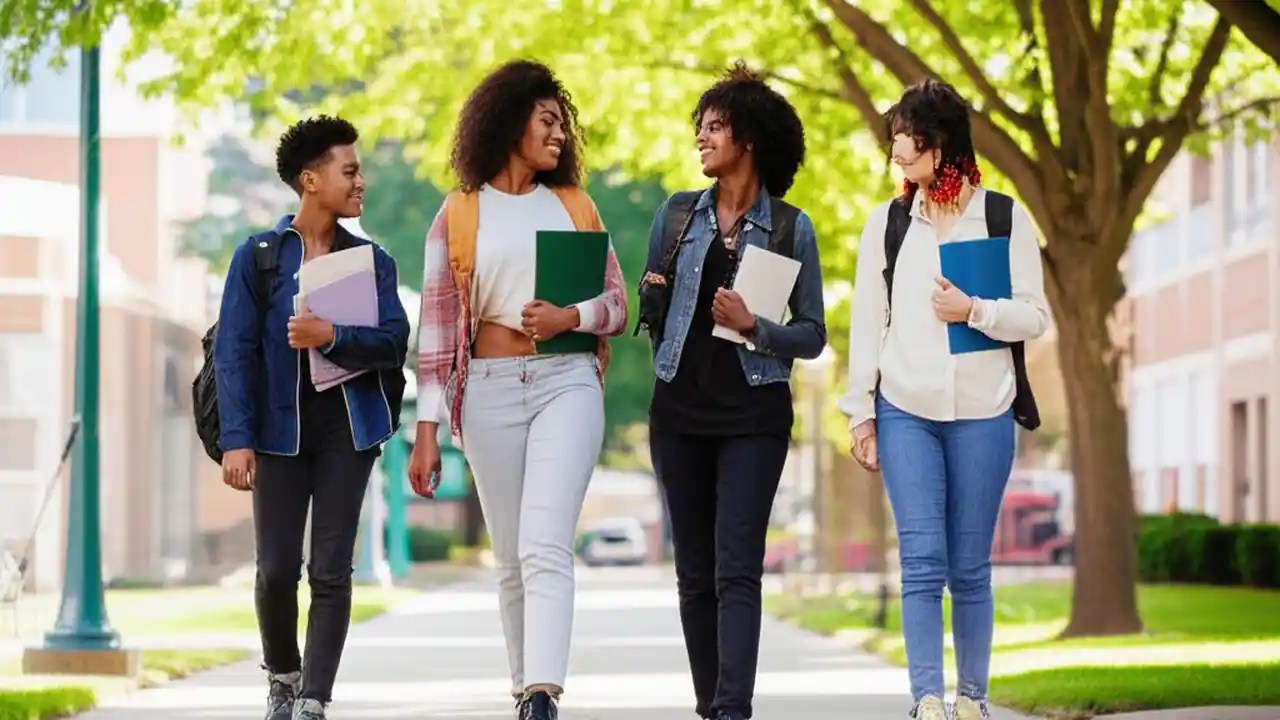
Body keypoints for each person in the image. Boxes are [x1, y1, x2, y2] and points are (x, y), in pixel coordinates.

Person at [408, 59, 628, 720]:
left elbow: (618, 304)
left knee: (543, 542)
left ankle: (543, 693)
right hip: (490, 390)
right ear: (510, 123)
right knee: (510, 556)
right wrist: (427, 433)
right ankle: (522, 687)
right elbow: (439, 334)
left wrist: (572, 318)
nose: (560, 135)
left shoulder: (574, 206)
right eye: (548, 122)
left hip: (566, 380)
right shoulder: (460, 212)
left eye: (563, 125)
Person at [837, 79, 1050, 720]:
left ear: (940, 146)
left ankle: (974, 698)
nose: (897, 156)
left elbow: (1035, 318)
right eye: (895, 147)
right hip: (906, 408)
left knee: (971, 567)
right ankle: (929, 699)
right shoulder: (889, 224)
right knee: (923, 560)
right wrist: (860, 413)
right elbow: (868, 324)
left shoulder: (1005, 219)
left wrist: (975, 310)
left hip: (984, 411)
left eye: (907, 144)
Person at [638, 63, 825, 720]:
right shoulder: (676, 216)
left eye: (714, 127)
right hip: (678, 412)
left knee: (736, 567)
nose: (702, 139)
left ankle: (732, 711)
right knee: (694, 574)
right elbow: (655, 309)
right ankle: (709, 704)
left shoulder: (790, 229)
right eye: (701, 128)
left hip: (754, 413)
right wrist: (651, 299)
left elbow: (813, 335)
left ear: (748, 138)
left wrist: (755, 326)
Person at [214, 115, 410, 720]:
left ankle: (314, 700)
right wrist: (236, 440)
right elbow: (234, 353)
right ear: (310, 179)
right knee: (276, 571)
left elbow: (393, 340)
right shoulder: (260, 259)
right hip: (276, 434)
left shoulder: (371, 260)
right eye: (349, 171)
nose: (361, 182)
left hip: (346, 432)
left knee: (331, 570)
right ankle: (283, 674)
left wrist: (334, 336)